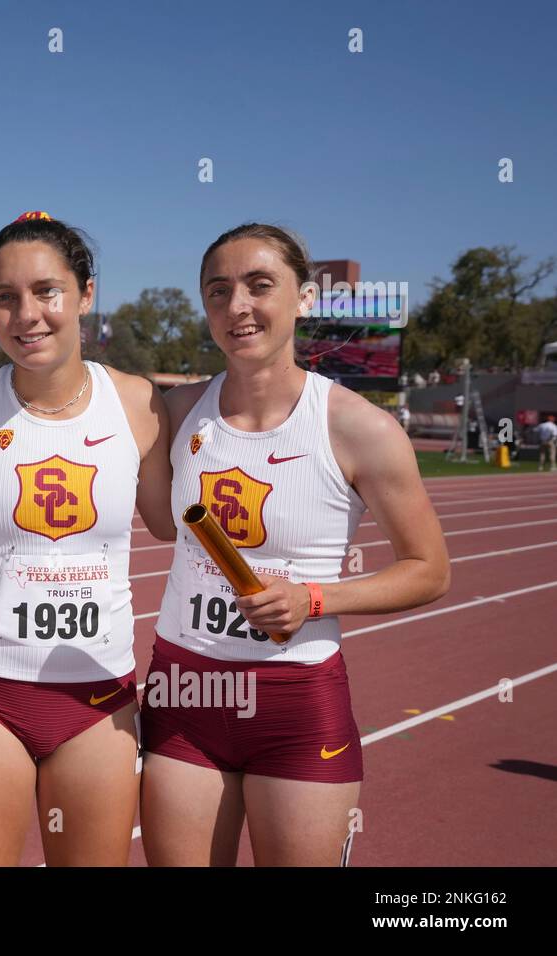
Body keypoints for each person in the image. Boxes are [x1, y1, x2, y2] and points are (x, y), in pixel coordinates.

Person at [140, 223, 450, 866]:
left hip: (294, 702)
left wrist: (313, 597)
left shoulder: (360, 427)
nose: (238, 307)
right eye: (218, 291)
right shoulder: (172, 413)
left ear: (305, 297)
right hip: (184, 692)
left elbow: (430, 570)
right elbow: (163, 524)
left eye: (260, 286)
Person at [0, 212, 173, 866]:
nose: (25, 314)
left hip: (98, 701)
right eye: (3, 298)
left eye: (46, 292)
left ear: (86, 293)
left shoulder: (138, 406)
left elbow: (173, 524)